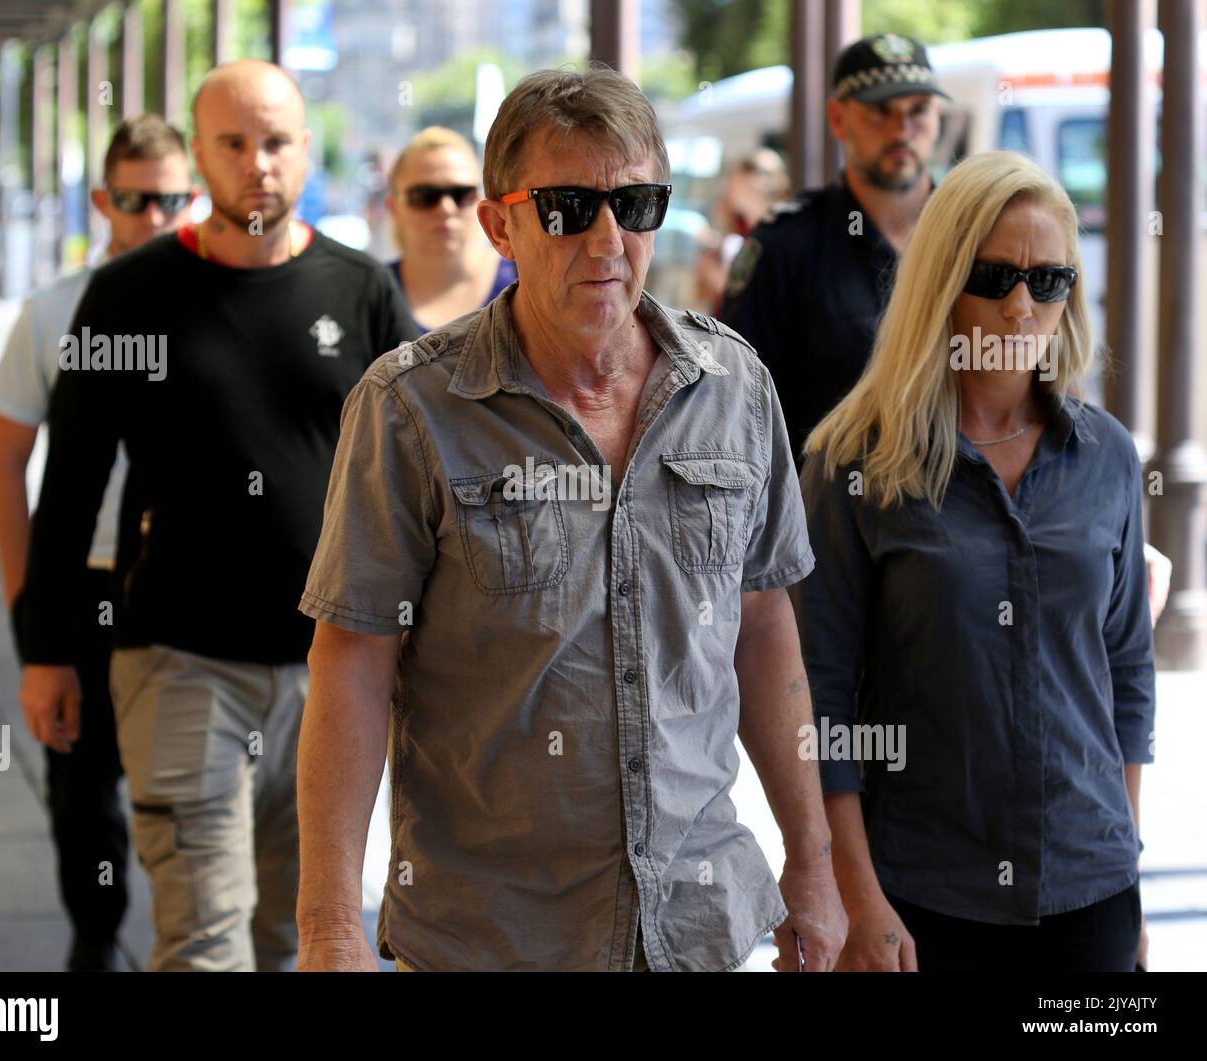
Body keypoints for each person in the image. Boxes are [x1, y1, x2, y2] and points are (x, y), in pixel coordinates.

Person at [295, 66, 847, 973]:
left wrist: (814, 865)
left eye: (635, 204)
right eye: (566, 208)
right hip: (492, 938)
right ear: (500, 223)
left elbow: (763, 626)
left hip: (696, 924)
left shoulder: (735, 387)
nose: (607, 238)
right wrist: (328, 925)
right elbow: (352, 660)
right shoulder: (411, 408)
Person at [15, 59, 418, 972]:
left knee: (299, 937)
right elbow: (71, 482)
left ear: (306, 151)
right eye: (233, 143)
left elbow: (420, 477)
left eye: (276, 142)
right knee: (201, 941)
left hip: (337, 675)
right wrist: (48, 651)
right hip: (180, 661)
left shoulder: (360, 293)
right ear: (198, 154)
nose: (258, 164)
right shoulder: (128, 296)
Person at [792, 151, 1155, 972]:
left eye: (1049, 279)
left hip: (1090, 895)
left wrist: (1124, 858)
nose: (1022, 305)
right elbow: (819, 699)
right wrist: (855, 896)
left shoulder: (1107, 457)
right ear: (942, 282)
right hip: (923, 901)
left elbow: (1127, 671)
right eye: (993, 276)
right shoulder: (857, 463)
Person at [0, 114, 195, 971]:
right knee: (82, 789)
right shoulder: (54, 312)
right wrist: (23, 602)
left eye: (174, 198)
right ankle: (96, 941)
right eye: (136, 199)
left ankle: (194, 944)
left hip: (186, 580)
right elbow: (5, 466)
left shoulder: (223, 301)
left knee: (195, 784)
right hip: (78, 583)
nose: (154, 215)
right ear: (105, 201)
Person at [721, 33, 948, 465]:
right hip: (824, 518)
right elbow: (738, 401)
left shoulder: (973, 236)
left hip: (955, 511)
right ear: (839, 119)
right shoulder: (786, 246)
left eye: (918, 111)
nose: (902, 130)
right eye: (880, 112)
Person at [385, 126, 516, 332]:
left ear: (481, 202)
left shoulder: (523, 279)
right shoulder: (374, 291)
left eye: (461, 194)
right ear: (393, 208)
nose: (446, 209)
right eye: (424, 195)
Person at [693, 147, 787, 314]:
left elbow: (755, 290)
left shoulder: (777, 229)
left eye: (735, 179)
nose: (729, 187)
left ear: (756, 180)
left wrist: (716, 277)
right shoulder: (743, 223)